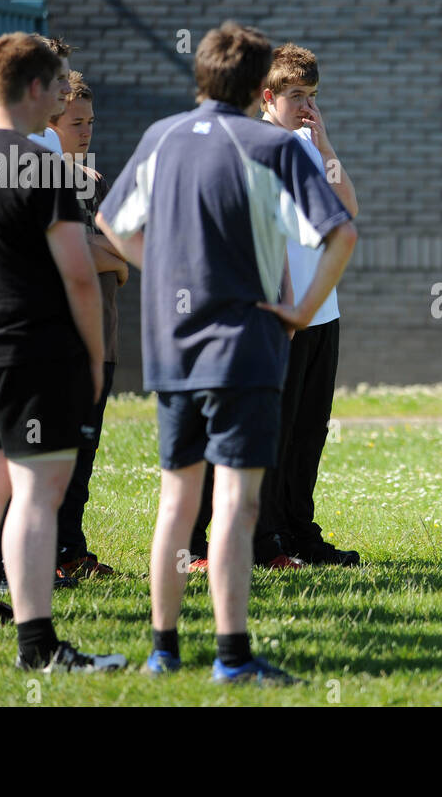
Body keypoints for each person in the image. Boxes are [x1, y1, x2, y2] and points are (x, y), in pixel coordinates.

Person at [98, 21, 357, 682]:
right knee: (236, 507)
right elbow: (341, 233)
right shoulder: (275, 146)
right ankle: (232, 657)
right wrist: (300, 310)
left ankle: (161, 651)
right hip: (244, 349)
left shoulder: (162, 137)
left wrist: (165, 274)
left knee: (176, 505)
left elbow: (109, 223)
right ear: (256, 85)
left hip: (173, 348)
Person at [0, 32, 124, 670]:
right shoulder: (43, 168)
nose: (62, 100)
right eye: (57, 85)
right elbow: (78, 274)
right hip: (29, 356)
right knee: (36, 496)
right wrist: (94, 358)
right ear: (36, 87)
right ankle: (37, 647)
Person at [188, 43, 360, 570]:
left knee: (308, 433)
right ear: (267, 97)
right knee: (266, 434)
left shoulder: (309, 145)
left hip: (320, 312)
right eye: (294, 96)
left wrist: (325, 142)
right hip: (277, 316)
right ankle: (242, 543)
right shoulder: (254, 147)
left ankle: (296, 532)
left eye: (311, 96)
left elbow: (347, 209)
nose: (305, 106)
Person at [49, 70, 127, 580]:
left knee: (84, 458)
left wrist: (112, 254)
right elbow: (72, 252)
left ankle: (72, 551)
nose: (86, 132)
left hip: (104, 341)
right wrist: (115, 256)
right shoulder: (40, 177)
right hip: (62, 344)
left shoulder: (92, 180)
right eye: (76, 123)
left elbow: (116, 245)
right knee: (54, 458)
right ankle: (48, 556)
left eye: (91, 122)